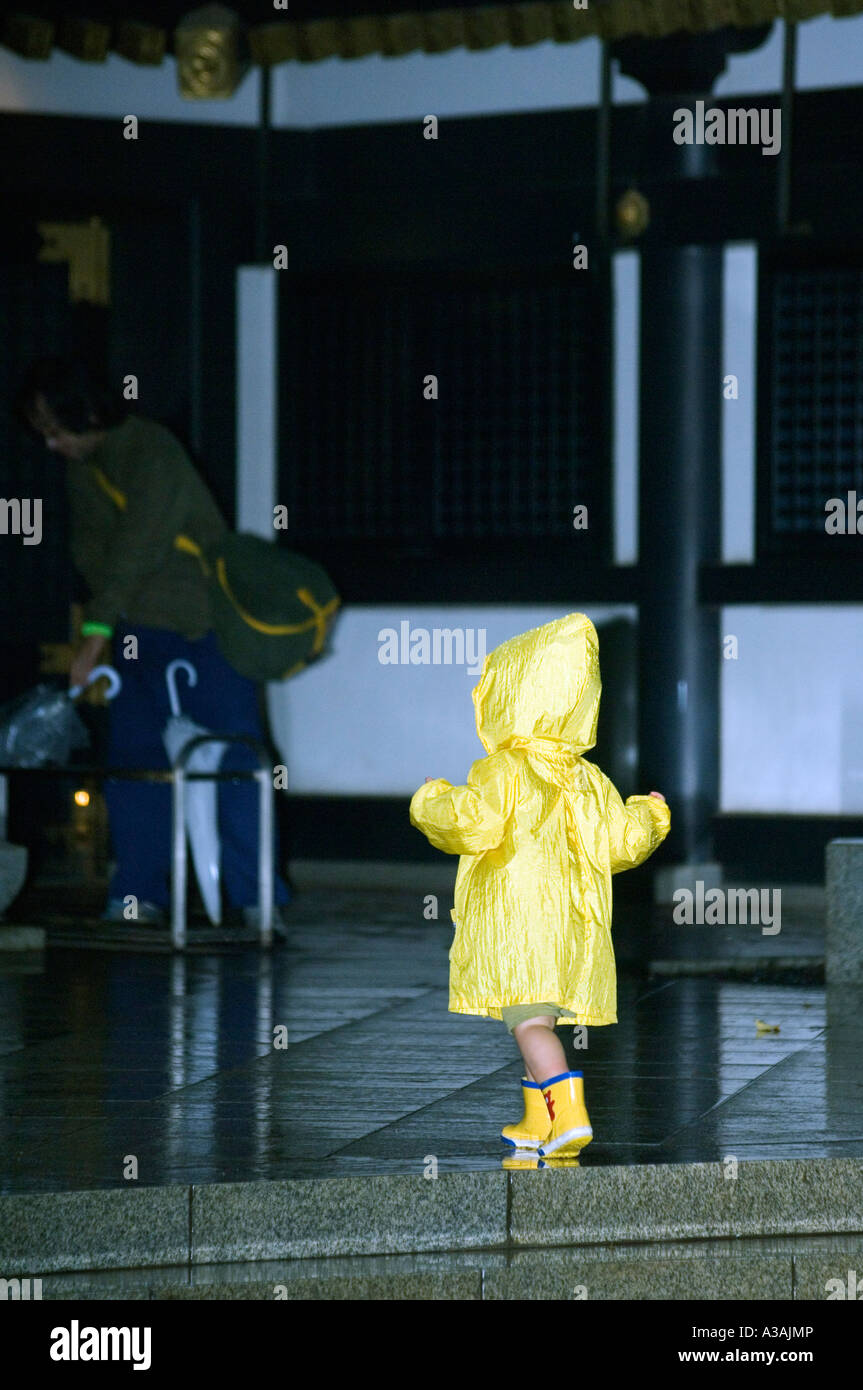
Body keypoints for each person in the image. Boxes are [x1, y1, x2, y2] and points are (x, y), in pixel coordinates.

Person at [15, 355, 291, 931]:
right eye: (44, 434)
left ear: (88, 412)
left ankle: (256, 895)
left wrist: (94, 630)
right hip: (140, 636)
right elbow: (95, 559)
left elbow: (136, 545)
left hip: (205, 629)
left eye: (57, 429)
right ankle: (138, 893)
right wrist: (107, 625)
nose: (53, 445)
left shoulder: (150, 449)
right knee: (135, 763)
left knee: (234, 758)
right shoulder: (81, 473)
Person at [409, 612, 670, 1158]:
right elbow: (621, 843)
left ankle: (567, 1110)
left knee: (527, 1021)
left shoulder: (502, 770)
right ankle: (538, 1119)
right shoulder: (590, 778)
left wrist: (431, 800)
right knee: (535, 1018)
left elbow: (472, 823)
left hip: (517, 925)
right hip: (572, 927)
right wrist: (649, 814)